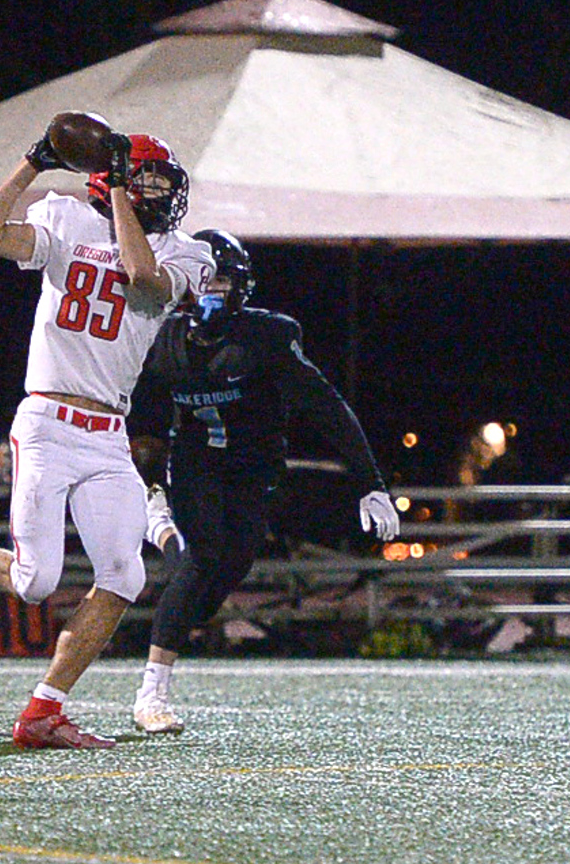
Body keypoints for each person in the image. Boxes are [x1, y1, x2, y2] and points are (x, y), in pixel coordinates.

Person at [0, 118, 214, 749]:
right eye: (139, 177)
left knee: (124, 576)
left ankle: (43, 709)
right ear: (105, 177)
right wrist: (33, 162)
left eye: (155, 180)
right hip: (47, 422)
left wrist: (120, 195)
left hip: (108, 434)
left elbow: (143, 278)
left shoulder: (188, 252)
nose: (152, 190)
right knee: (34, 582)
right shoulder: (67, 218)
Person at [128, 229, 399, 734]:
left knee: (227, 569)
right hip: (195, 462)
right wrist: (142, 473)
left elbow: (325, 405)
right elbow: (132, 409)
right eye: (204, 278)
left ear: (242, 285)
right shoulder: (158, 335)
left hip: (253, 468)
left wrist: (370, 481)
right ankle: (152, 693)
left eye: (223, 279)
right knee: (204, 555)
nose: (211, 290)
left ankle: (163, 533)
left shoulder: (266, 337)